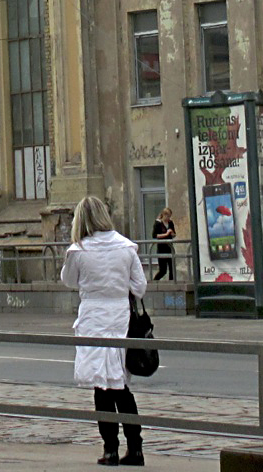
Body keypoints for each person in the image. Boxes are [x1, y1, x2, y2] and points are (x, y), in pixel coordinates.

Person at [61, 195, 147, 466]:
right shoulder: (125, 247)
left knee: (102, 386)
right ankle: (136, 448)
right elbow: (140, 287)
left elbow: (68, 281)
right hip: (120, 316)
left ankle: (110, 448)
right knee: (121, 382)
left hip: (93, 317)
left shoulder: (78, 250)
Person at [151, 208, 176, 281]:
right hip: (161, 247)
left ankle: (172, 282)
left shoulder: (170, 223)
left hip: (169, 247)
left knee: (172, 268)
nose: (169, 218)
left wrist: (172, 233)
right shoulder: (158, 223)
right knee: (163, 270)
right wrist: (166, 234)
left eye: (170, 217)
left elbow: (174, 234)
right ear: (164, 215)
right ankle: (154, 281)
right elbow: (155, 236)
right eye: (167, 217)